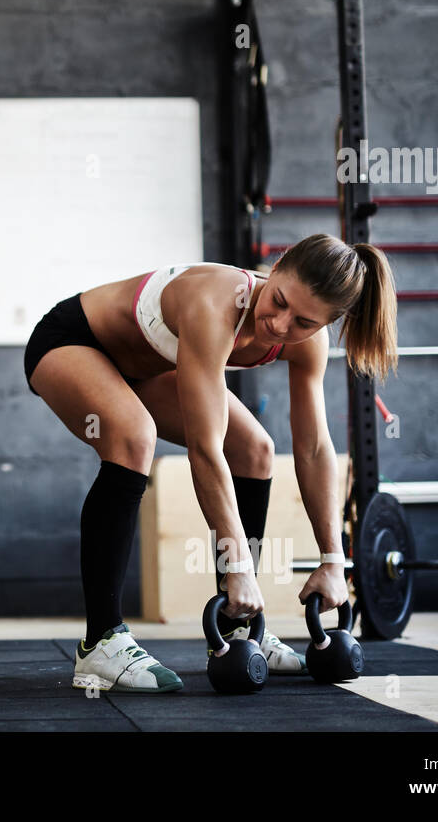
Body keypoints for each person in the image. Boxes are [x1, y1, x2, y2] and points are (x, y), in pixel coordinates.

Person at [24, 234, 397, 692]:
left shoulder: (309, 344)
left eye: (302, 321)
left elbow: (315, 448)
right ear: (274, 269)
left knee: (256, 450)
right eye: (278, 301)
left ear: (326, 324)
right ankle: (101, 642)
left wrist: (333, 560)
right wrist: (237, 562)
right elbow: (205, 448)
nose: (279, 324)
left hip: (146, 370)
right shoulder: (213, 303)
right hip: (71, 343)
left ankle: (239, 625)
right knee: (132, 436)